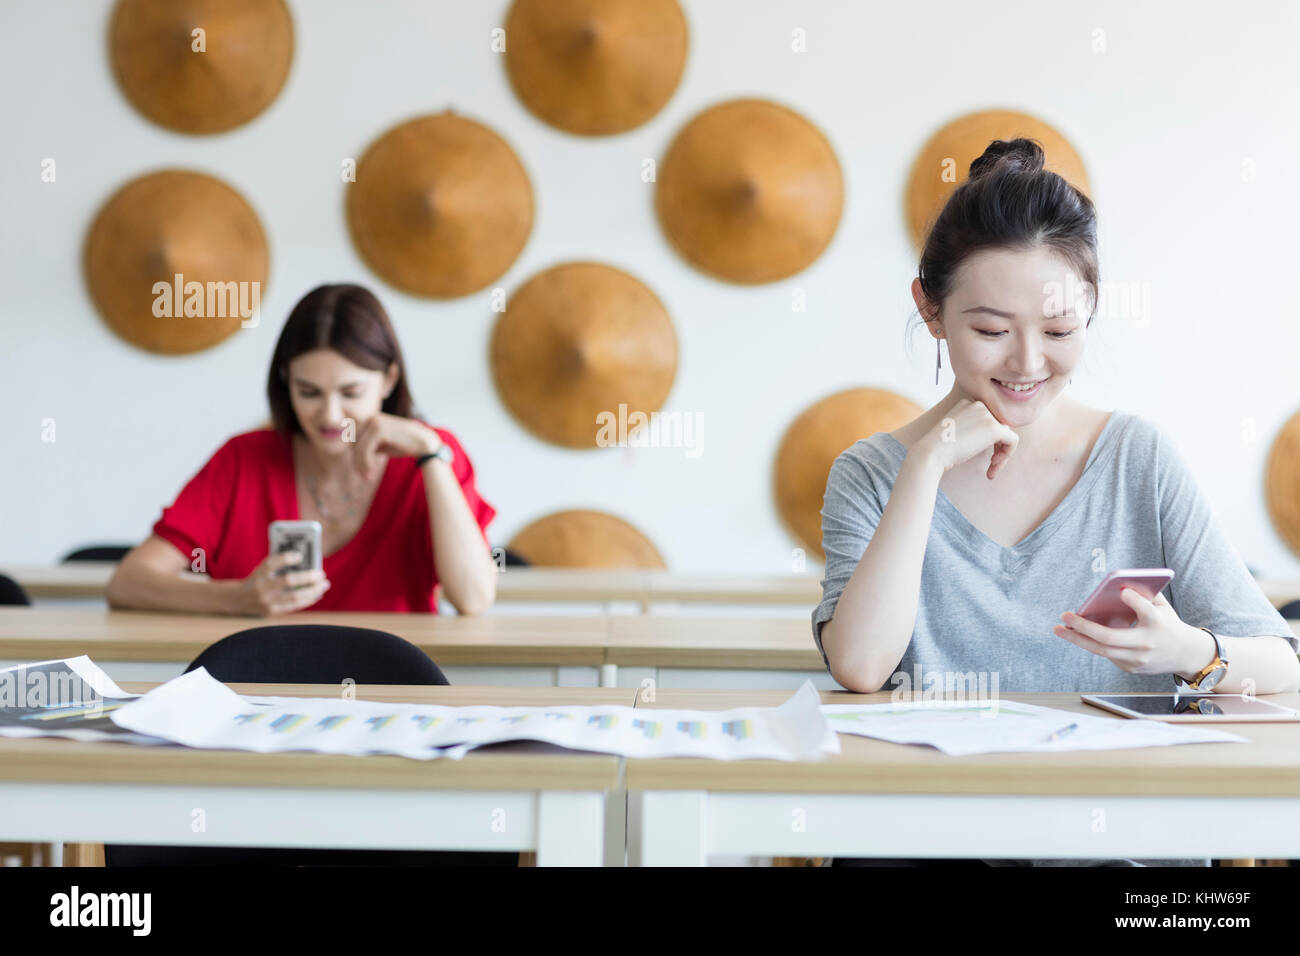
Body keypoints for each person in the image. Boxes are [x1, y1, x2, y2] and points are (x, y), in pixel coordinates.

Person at [812, 138, 1300, 867]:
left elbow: (1282, 669)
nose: (1028, 364)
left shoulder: (1139, 459)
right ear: (930, 309)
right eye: (990, 331)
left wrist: (1189, 653)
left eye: (1060, 331)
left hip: (1122, 848)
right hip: (931, 839)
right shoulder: (874, 474)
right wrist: (928, 465)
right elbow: (861, 666)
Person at [107, 283, 498, 616]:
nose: (329, 416)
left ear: (388, 380)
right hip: (260, 688)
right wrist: (234, 597)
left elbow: (474, 597)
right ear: (286, 383)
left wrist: (431, 452)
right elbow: (127, 583)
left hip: (391, 687)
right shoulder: (244, 461)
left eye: (350, 393)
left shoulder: (433, 459)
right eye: (308, 392)